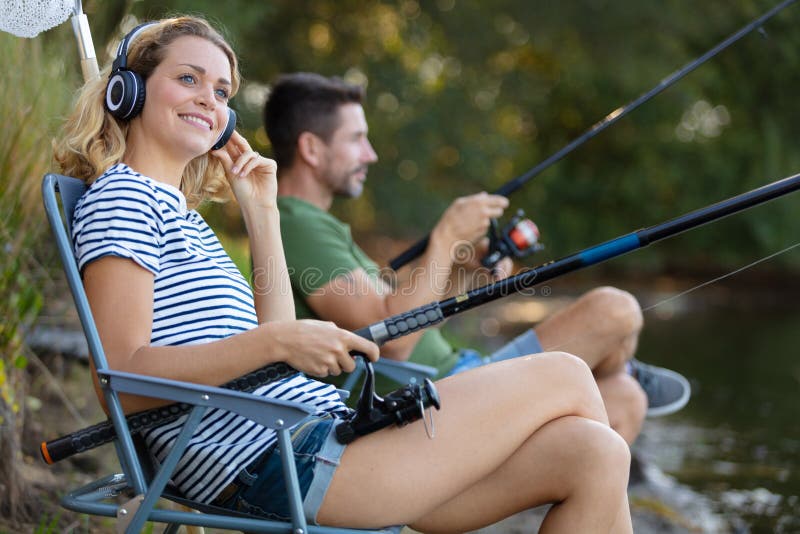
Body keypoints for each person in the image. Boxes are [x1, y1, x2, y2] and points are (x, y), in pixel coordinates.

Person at [53, 16, 633, 531]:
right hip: (282, 459)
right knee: (565, 374)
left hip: (316, 437)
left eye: (222, 91)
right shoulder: (125, 198)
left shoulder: (180, 214)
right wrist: (276, 343)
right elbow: (122, 381)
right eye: (189, 79)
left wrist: (262, 212)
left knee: (595, 454)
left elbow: (273, 342)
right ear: (129, 91)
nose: (209, 99)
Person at [266, 72, 691, 446]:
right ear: (311, 148)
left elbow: (411, 319)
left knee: (625, 400)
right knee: (615, 310)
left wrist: (459, 267)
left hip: (458, 379)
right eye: (357, 139)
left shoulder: (316, 226)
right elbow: (391, 339)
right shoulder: (295, 222)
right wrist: (447, 236)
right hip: (443, 397)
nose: (370, 154)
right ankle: (618, 362)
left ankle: (617, 372)